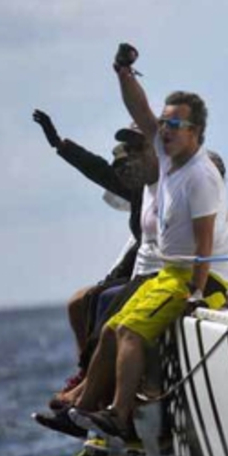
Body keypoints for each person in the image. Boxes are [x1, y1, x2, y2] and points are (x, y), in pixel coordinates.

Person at [68, 42, 228, 445]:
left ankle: (119, 416)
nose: (164, 129)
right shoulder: (168, 157)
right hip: (171, 271)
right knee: (112, 328)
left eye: (174, 124)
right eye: (164, 123)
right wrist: (123, 74)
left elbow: (204, 244)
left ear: (195, 132)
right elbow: (139, 109)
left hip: (202, 275)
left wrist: (196, 292)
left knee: (131, 332)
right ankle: (87, 412)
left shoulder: (201, 176)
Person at [31, 109, 158, 399]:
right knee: (79, 302)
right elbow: (99, 170)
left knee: (104, 301)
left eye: (137, 147)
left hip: (161, 270)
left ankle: (95, 386)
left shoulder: (171, 183)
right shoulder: (140, 188)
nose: (130, 155)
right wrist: (60, 144)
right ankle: (87, 371)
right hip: (141, 263)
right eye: (128, 148)